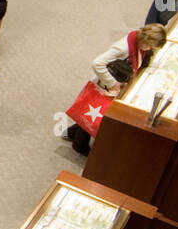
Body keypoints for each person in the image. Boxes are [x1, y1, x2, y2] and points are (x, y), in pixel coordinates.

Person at [62, 24, 168, 154]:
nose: (150, 49)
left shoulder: (136, 40)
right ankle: (79, 145)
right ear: (146, 41)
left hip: (111, 84)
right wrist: (112, 83)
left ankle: (71, 132)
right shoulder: (123, 48)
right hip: (105, 85)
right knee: (94, 113)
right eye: (150, 46)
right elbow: (97, 63)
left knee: (92, 112)